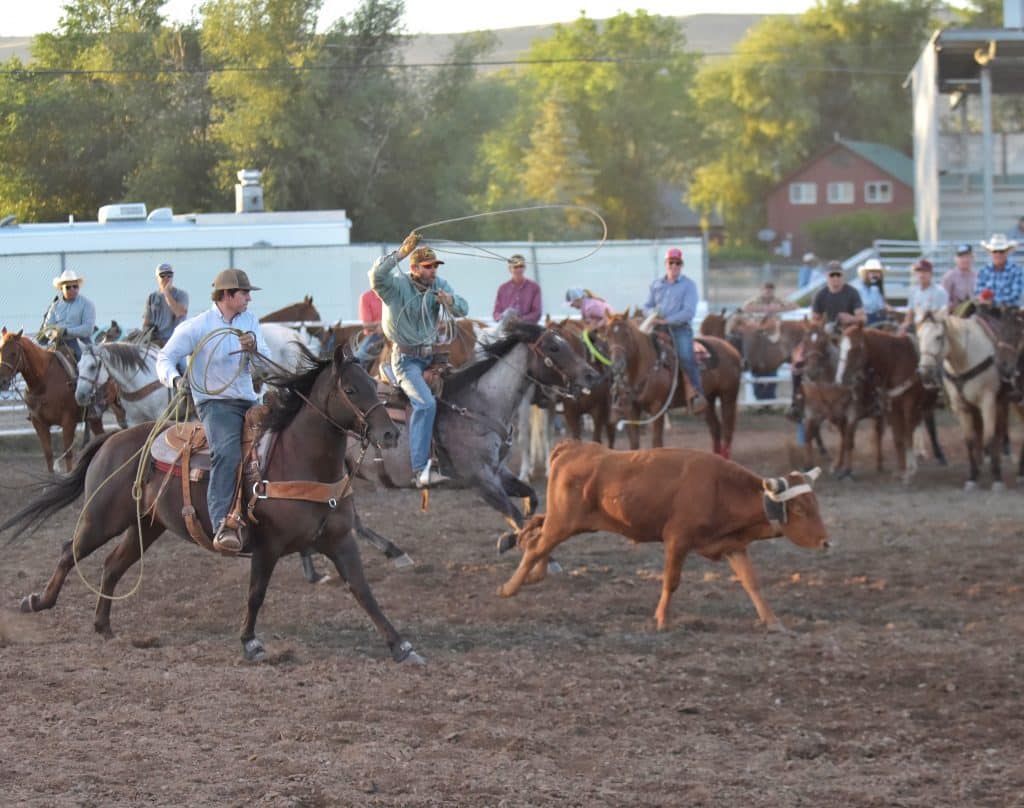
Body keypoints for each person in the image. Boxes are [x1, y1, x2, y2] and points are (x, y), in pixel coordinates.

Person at [156, 268, 270, 554]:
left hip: (249, 400)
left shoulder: (250, 322)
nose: (248, 299)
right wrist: (176, 379)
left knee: (277, 442)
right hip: (215, 404)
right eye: (244, 294)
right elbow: (165, 357)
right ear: (228, 295)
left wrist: (254, 349)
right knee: (228, 452)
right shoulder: (198, 326)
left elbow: (265, 366)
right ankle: (222, 523)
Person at [370, 235, 468, 488]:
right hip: (405, 360)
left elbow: (463, 308)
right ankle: (419, 470)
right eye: (428, 266)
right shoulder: (395, 287)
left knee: (463, 394)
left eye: (435, 266)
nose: (433, 270)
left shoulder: (439, 285)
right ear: (414, 268)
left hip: (431, 357)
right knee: (425, 404)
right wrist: (401, 253)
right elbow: (376, 276)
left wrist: (451, 301)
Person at [642, 247, 706, 413]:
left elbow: (689, 311)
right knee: (640, 351)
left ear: (681, 265)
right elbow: (646, 305)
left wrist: (667, 320)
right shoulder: (656, 285)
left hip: (679, 329)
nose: (674, 265)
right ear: (666, 264)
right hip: (657, 328)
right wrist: (652, 315)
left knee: (686, 358)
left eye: (677, 263)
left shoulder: (688, 285)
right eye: (671, 262)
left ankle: (697, 394)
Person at [40, 269, 96, 361]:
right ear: (61, 288)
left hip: (80, 343)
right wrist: (54, 334)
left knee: (85, 364)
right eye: (68, 287)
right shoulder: (55, 306)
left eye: (75, 286)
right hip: (58, 342)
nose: (72, 289)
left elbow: (88, 329)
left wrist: (66, 331)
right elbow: (47, 328)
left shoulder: (87, 304)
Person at [142, 262, 189, 346]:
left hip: (175, 341)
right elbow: (146, 322)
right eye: (162, 275)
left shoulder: (182, 294)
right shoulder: (151, 297)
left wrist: (166, 293)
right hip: (156, 341)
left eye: (169, 275)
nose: (166, 278)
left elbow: (179, 312)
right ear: (157, 278)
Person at [899, 259, 948, 336]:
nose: (922, 275)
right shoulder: (913, 291)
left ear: (931, 274)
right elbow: (910, 313)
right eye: (919, 272)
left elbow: (942, 316)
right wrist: (905, 325)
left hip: (933, 327)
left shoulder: (939, 291)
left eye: (925, 272)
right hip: (916, 327)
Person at [811, 262, 865, 328]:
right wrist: (823, 323)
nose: (835, 278)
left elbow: (863, 318)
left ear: (843, 275)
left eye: (838, 275)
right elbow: (814, 319)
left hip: (849, 330)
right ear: (826, 276)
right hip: (827, 332)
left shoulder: (852, 293)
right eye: (832, 275)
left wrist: (851, 319)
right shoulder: (820, 295)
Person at [974, 233, 1023, 307]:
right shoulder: (983, 271)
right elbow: (978, 292)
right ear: (990, 253)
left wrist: (993, 302)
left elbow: (1015, 295)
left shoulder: (1016, 270)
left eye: (1001, 251)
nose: (998, 254)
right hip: (987, 309)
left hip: (1009, 311)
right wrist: (983, 299)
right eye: (995, 251)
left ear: (1007, 252)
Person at [493, 254, 542, 324]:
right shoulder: (502, 289)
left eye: (521, 266)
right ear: (510, 269)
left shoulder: (534, 287)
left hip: (527, 327)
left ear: (525, 267)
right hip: (506, 326)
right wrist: (503, 318)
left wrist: (521, 319)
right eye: (515, 267)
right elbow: (496, 313)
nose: (519, 269)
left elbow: (537, 312)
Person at [851, 259, 890, 326]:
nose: (875, 275)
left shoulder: (875, 288)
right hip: (863, 320)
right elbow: (867, 305)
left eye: (877, 272)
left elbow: (881, 305)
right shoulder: (858, 288)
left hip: (876, 318)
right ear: (866, 274)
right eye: (872, 272)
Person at [941, 243, 977, 312]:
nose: (965, 260)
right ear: (956, 259)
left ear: (972, 258)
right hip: (955, 315)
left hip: (974, 314)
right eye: (961, 257)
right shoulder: (949, 277)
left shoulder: (977, 277)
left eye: (967, 256)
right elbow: (943, 300)